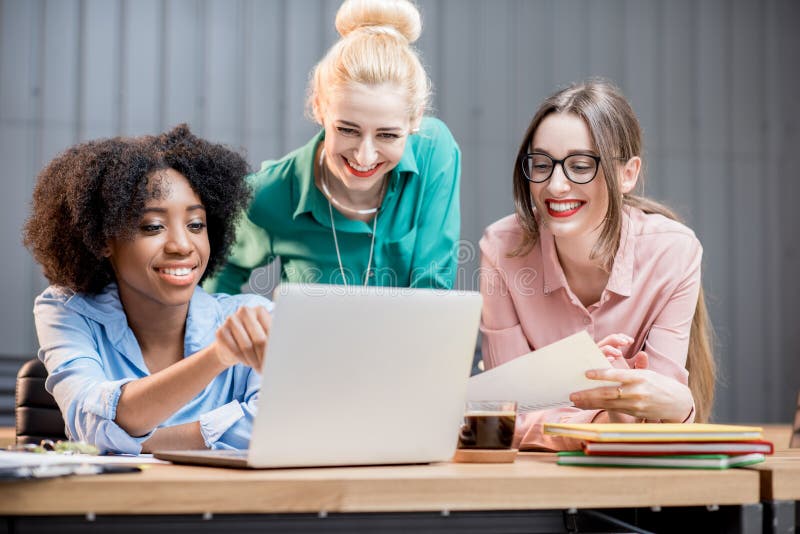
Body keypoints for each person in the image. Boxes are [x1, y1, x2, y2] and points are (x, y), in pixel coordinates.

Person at [479, 80, 716, 451]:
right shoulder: (501, 248)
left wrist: (670, 406)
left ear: (628, 173)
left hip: (642, 480)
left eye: (580, 165)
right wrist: (601, 417)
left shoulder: (674, 252)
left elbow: (663, 407)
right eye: (541, 164)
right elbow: (501, 414)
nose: (555, 185)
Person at [24, 125, 273, 455]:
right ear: (103, 239)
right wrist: (217, 357)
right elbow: (88, 423)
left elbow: (277, 426)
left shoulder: (253, 318)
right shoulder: (67, 311)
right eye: (153, 226)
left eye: (196, 225)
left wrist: (141, 441)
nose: (182, 245)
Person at [204, 0, 460, 293]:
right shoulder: (268, 193)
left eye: (387, 135)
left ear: (415, 119)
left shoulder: (434, 149)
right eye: (347, 130)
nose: (365, 156)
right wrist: (246, 329)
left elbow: (433, 287)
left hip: (415, 339)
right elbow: (215, 289)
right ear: (319, 108)